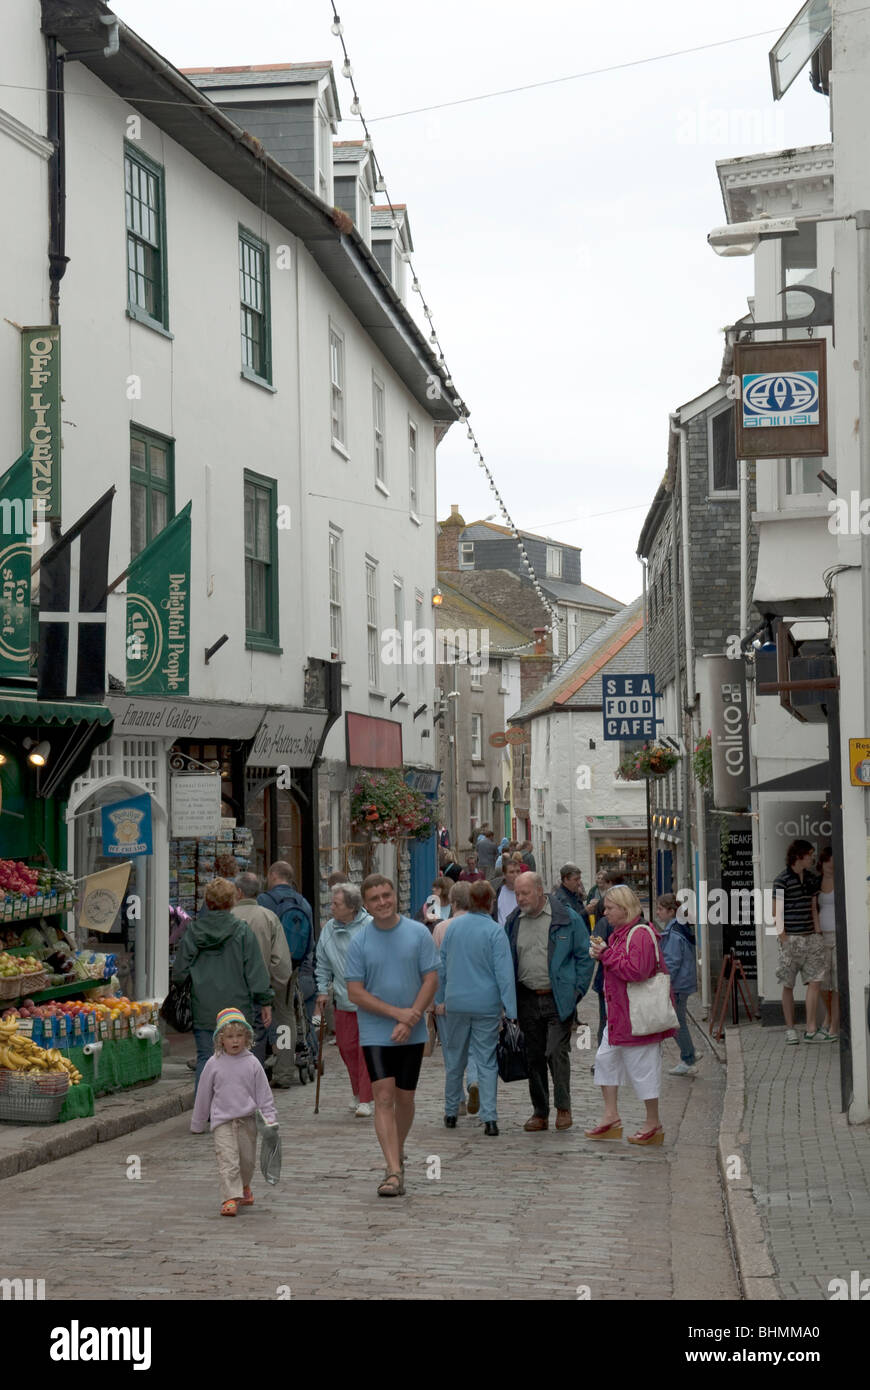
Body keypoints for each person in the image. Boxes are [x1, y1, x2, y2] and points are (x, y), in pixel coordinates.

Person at [345, 875, 439, 1197]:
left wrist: (411, 1016)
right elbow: (355, 992)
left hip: (411, 1030)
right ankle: (393, 1170)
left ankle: (397, 1148)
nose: (382, 902)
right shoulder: (360, 941)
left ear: (394, 896)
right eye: (375, 899)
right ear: (367, 905)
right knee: (382, 1097)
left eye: (386, 895)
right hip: (375, 1031)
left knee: (404, 1098)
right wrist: (396, 1014)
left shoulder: (417, 934)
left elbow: (431, 979)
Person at [586, 885, 676, 1145]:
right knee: (605, 1061)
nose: (605, 912)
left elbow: (638, 971)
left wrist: (606, 955)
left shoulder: (640, 934)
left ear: (624, 909)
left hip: (639, 1017)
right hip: (618, 1016)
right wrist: (604, 953)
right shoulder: (617, 935)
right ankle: (610, 1115)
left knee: (643, 1069)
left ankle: (653, 1122)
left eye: (610, 908)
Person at [504, 871, 593, 1131]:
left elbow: (584, 956)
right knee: (533, 1056)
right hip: (527, 997)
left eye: (525, 893)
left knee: (556, 1052)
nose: (520, 898)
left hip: (557, 998)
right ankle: (540, 1112)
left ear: (540, 890)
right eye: (517, 893)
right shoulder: (514, 922)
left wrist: (576, 991)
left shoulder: (565, 918)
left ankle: (563, 1108)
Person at [171, 878, 273, 1090]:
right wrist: (265, 1001)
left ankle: (205, 1110)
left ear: (208, 902)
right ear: (232, 901)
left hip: (204, 1006)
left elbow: (179, 973)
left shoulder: (193, 931)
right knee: (238, 1059)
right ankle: (236, 1106)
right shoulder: (242, 931)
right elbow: (255, 971)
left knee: (205, 1058)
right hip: (237, 1007)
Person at [438, 880, 517, 1137]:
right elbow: (504, 974)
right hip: (486, 1004)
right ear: (491, 902)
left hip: (457, 1002)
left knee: (455, 1058)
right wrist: (511, 1010)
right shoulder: (495, 931)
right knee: (486, 1060)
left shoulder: (453, 929)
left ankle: (451, 1111)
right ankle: (489, 1117)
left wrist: (440, 998)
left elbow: (442, 966)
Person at [190, 1007, 278, 1217]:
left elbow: (264, 1095)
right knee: (228, 1160)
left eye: (239, 1036)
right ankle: (230, 1196)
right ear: (221, 1039)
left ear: (247, 1037)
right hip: (222, 1122)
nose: (235, 1041)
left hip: (247, 1121)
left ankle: (244, 1187)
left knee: (247, 1162)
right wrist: (198, 1121)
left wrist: (270, 1119)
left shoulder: (253, 1063)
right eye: (230, 1037)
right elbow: (203, 1095)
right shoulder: (213, 1064)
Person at [315, 882, 374, 1116]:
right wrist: (322, 990)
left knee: (364, 1050)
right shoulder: (329, 929)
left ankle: (366, 1099)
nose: (331, 908)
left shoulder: (370, 927)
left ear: (351, 907)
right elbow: (322, 962)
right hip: (343, 998)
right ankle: (358, 1091)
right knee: (346, 1047)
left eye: (336, 904)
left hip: (369, 1001)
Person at [258, 863, 314, 1086]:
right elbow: (309, 941)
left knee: (260, 1014)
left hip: (266, 964)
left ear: (272, 876)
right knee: (285, 1016)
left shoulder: (264, 900)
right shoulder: (303, 903)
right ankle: (284, 1068)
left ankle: (260, 1066)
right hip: (291, 967)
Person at [232, 872, 292, 1069]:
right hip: (260, 989)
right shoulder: (269, 917)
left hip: (232, 989)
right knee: (256, 1036)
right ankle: (255, 1078)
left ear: (238, 892)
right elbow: (280, 960)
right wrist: (271, 985)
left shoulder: (228, 917)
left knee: (231, 1034)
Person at [431, 880, 479, 1115]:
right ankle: (474, 1080)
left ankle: (458, 1098)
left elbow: (436, 969)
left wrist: (437, 1001)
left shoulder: (441, 929)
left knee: (452, 1050)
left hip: (449, 999)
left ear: (452, 902)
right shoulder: (482, 927)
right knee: (474, 1048)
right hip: (477, 998)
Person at [773, 839, 824, 1044]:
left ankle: (811, 1027)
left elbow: (813, 908)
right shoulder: (781, 880)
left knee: (815, 980)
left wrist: (817, 934)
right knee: (788, 984)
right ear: (799, 856)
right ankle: (790, 1028)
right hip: (792, 938)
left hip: (810, 937)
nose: (812, 858)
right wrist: (784, 940)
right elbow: (776, 913)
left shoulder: (811, 879)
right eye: (810, 855)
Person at [656, 893, 697, 1076]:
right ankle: (689, 1054)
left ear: (671, 911)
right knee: (677, 1021)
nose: (657, 913)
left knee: (676, 1023)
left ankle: (688, 1058)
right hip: (682, 982)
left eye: (660, 909)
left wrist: (664, 984)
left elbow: (671, 962)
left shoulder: (673, 933)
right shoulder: (679, 928)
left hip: (678, 985)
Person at [813, 847, 839, 1041]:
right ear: (822, 864)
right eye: (828, 863)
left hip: (838, 935)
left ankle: (833, 1025)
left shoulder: (842, 881)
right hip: (822, 935)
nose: (831, 866)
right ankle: (829, 1016)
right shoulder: (816, 882)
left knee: (836, 982)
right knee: (823, 983)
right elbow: (813, 907)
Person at [490, 857, 522, 927]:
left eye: (518, 871)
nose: (516, 875)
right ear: (504, 875)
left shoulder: (526, 892)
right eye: (512, 872)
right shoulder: (496, 891)